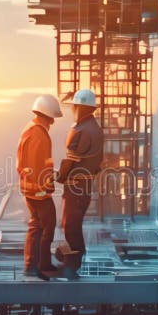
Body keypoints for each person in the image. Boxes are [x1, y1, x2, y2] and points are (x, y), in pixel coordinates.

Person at [17, 94, 63, 280]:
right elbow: (37, 165)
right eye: (52, 117)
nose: (53, 122)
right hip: (38, 191)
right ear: (46, 114)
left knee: (39, 226)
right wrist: (45, 186)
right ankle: (35, 266)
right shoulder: (38, 134)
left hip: (32, 188)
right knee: (44, 226)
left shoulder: (30, 129)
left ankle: (37, 264)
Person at [59, 89, 104, 276]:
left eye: (75, 106)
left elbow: (71, 159)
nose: (73, 110)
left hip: (76, 186)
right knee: (72, 224)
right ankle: (73, 259)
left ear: (81, 108)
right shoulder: (92, 127)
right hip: (81, 185)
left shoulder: (83, 130)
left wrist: (60, 176)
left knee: (70, 225)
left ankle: (73, 263)